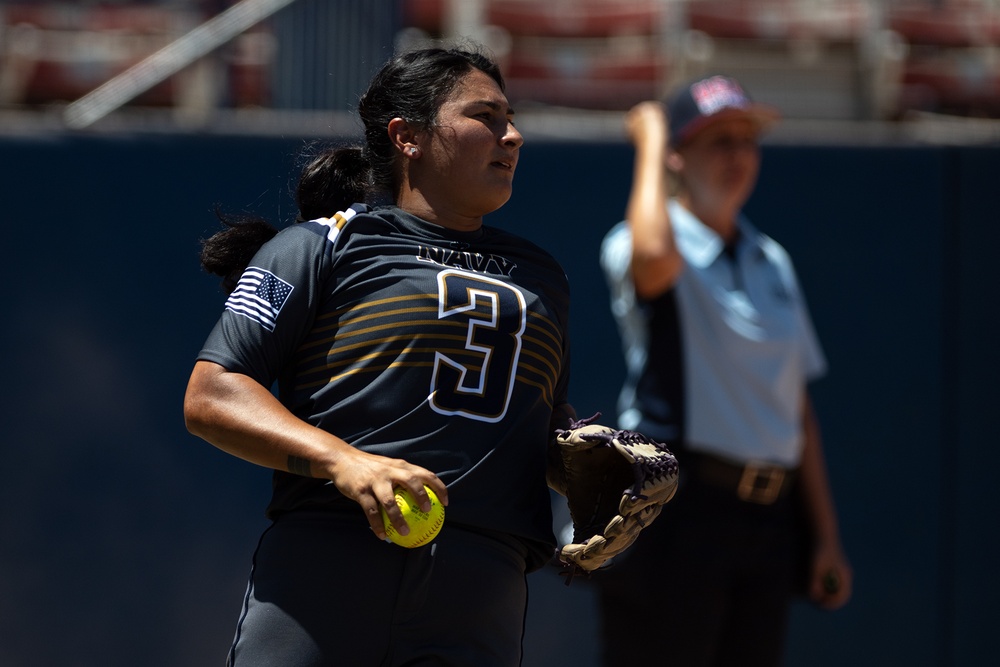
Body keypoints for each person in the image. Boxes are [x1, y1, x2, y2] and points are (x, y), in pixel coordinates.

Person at [184, 45, 579, 666]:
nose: (513, 135)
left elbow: (544, 425)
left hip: (482, 592)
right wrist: (344, 460)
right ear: (407, 136)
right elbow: (212, 394)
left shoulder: (542, 276)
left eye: (511, 118)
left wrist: (589, 465)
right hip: (330, 568)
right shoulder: (321, 245)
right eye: (485, 116)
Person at [595, 75, 853, 666]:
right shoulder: (644, 237)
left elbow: (796, 407)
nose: (738, 155)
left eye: (747, 140)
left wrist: (825, 536)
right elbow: (652, 258)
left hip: (769, 521)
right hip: (678, 510)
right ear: (678, 155)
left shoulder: (771, 257)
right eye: (718, 141)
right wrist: (650, 139)